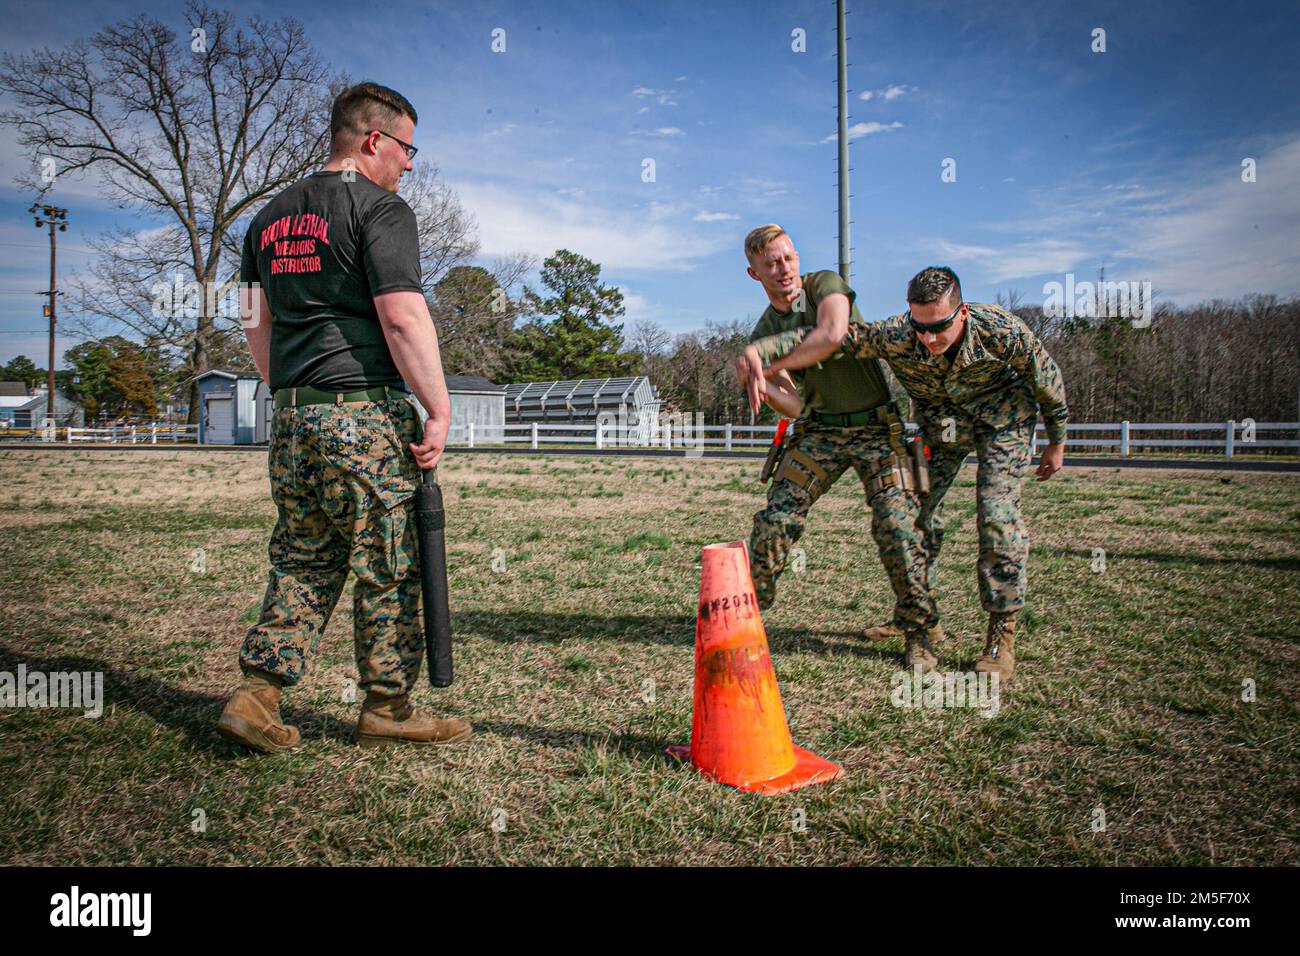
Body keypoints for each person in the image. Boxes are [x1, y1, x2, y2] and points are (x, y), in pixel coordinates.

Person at [217, 82, 472, 752]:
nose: (411, 164)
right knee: (390, 560)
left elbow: (252, 316)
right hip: (361, 412)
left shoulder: (267, 218)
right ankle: (387, 710)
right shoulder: (379, 208)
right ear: (374, 140)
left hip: (294, 417)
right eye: (408, 149)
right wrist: (439, 409)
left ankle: (257, 694)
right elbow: (400, 313)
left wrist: (288, 389)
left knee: (305, 556)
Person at [743, 265, 1068, 681]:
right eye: (921, 327)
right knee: (913, 517)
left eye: (940, 328)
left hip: (1002, 423)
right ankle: (917, 620)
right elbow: (841, 338)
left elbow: (1048, 381)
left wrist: (1056, 441)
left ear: (962, 313)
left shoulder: (1002, 330)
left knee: (996, 516)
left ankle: (999, 636)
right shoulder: (899, 332)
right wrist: (763, 351)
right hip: (941, 427)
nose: (929, 338)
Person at [735, 225, 941, 670]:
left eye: (788, 257)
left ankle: (920, 629)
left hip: (875, 428)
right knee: (775, 520)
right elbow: (796, 405)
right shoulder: (765, 328)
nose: (784, 268)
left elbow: (831, 334)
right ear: (754, 274)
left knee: (897, 525)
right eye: (771, 263)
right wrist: (762, 383)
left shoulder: (824, 284)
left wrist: (770, 360)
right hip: (820, 431)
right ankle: (749, 618)